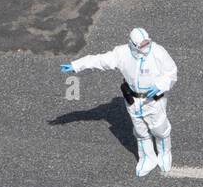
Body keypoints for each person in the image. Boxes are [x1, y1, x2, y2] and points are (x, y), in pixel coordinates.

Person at [61, 28, 177, 177]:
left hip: (153, 100)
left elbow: (171, 72)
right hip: (133, 100)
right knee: (140, 131)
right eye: (142, 45)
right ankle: (147, 158)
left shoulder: (158, 52)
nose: (146, 47)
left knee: (159, 129)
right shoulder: (122, 54)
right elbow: (100, 60)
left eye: (147, 43)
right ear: (133, 45)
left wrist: (160, 85)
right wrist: (76, 65)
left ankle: (164, 153)